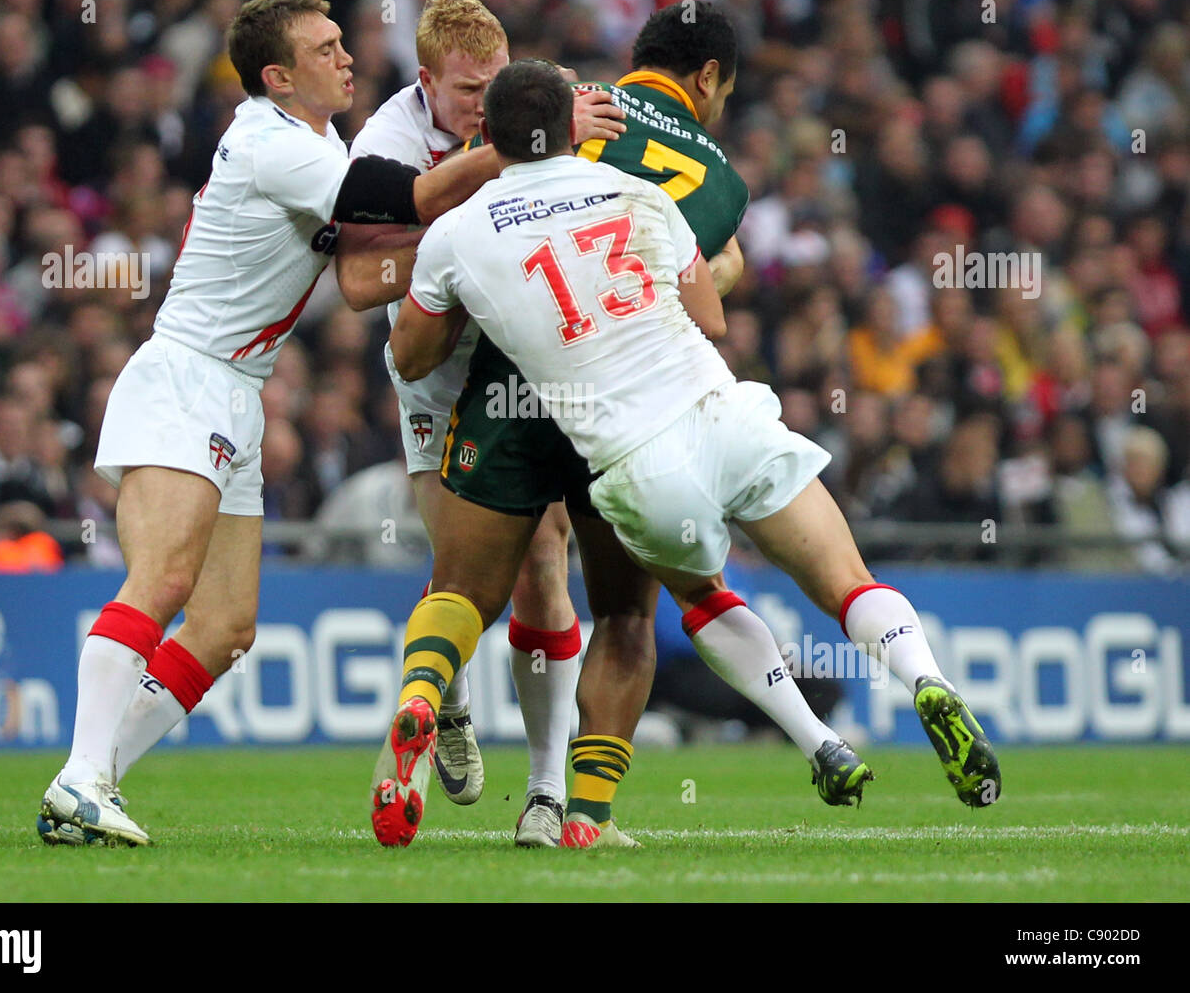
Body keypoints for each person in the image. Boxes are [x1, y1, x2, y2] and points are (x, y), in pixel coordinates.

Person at [381, 58, 1002, 849]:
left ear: (486, 137)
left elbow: (411, 357)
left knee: (666, 601)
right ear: (574, 125)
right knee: (846, 584)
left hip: (638, 465)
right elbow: (708, 315)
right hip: (723, 414)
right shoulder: (643, 196)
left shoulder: (457, 233)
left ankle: (534, 771)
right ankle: (925, 682)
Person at [37, 0, 503, 847]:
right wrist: (511, 147)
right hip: (188, 376)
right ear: (278, 76)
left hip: (236, 391)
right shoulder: (270, 142)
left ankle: (92, 781)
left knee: (223, 627)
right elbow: (400, 194)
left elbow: (370, 266)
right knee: (164, 584)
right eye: (325, 49)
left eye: (342, 44)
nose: (348, 57)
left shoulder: (315, 139)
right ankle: (76, 778)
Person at [342, 0, 627, 844]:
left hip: (521, 369)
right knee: (461, 572)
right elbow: (359, 283)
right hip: (433, 375)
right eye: (467, 90)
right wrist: (457, 249)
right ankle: (451, 704)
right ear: (425, 81)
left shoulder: (542, 104)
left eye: (495, 85)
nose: (484, 102)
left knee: (544, 562)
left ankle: (544, 792)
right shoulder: (386, 145)